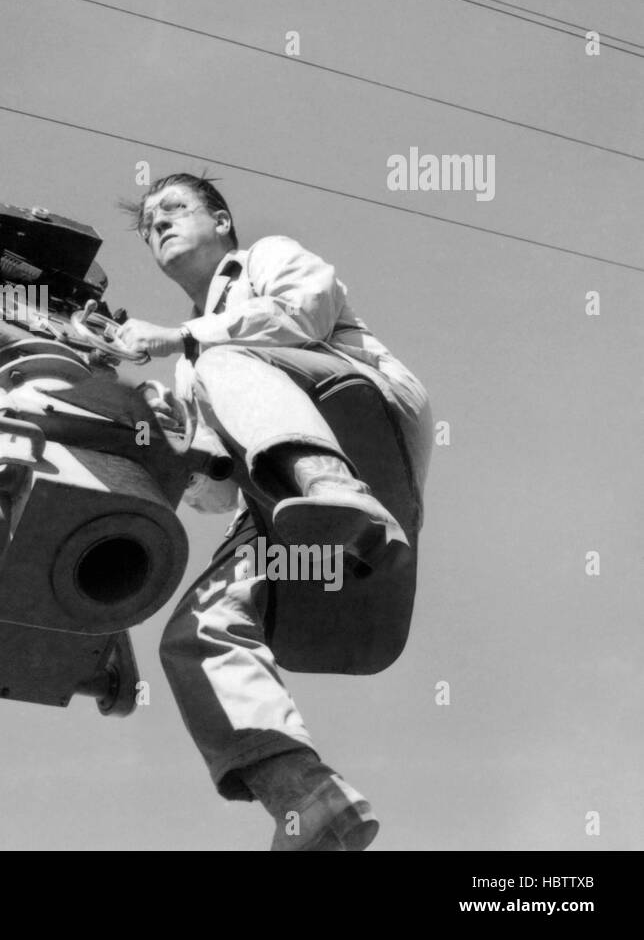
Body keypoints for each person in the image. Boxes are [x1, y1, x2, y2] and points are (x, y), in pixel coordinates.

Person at [116, 173, 432, 851]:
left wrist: (183, 340)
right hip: (282, 501)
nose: (159, 226)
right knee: (195, 633)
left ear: (223, 222)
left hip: (358, 417)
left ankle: (333, 489)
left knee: (220, 359)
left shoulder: (265, 260)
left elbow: (305, 312)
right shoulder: (196, 356)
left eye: (174, 210)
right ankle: (306, 798)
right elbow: (221, 495)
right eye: (148, 225)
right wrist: (176, 437)